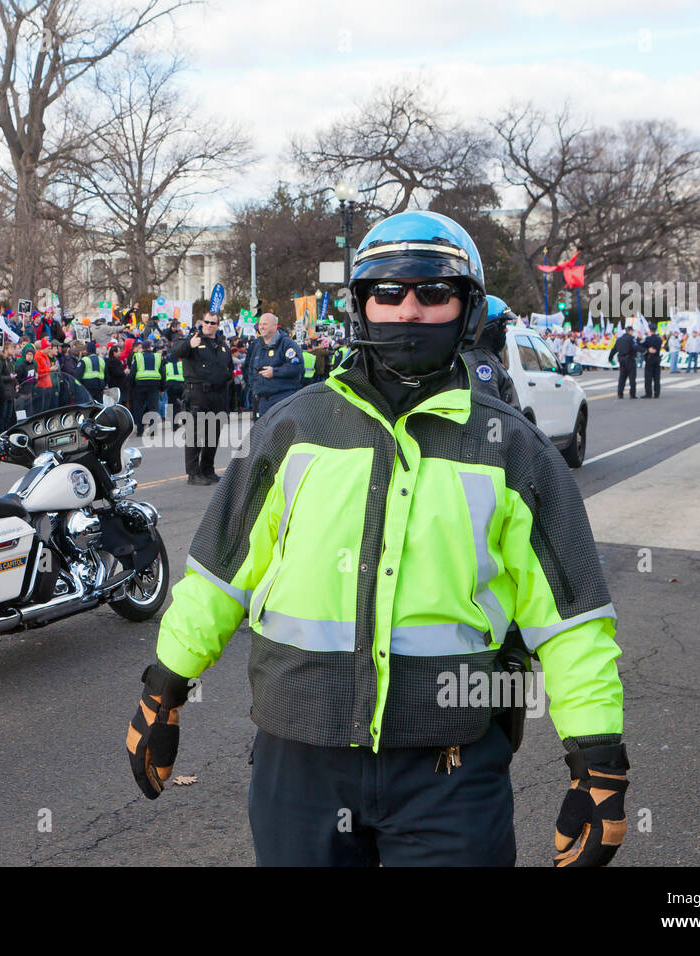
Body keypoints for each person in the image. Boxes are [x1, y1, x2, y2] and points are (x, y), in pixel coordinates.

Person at [125, 210, 627, 866]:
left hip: (451, 775)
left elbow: (571, 621)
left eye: (433, 293)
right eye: (388, 293)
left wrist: (598, 760)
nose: (410, 311)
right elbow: (220, 575)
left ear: (468, 309)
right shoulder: (293, 429)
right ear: (360, 305)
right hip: (299, 769)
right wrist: (165, 686)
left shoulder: (515, 451)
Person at [170, 312, 232, 485]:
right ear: (202, 323)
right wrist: (190, 344)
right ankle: (193, 473)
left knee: (213, 435)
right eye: (207, 322)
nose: (210, 325)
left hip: (218, 394)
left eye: (213, 323)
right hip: (197, 393)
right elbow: (175, 350)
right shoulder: (194, 339)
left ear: (218, 326)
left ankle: (207, 469)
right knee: (195, 435)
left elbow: (228, 370)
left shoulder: (222, 345)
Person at [244, 313, 304, 418]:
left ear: (274, 325)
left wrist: (275, 372)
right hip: (262, 401)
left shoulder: (287, 344)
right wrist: (255, 389)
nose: (261, 327)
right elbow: (250, 370)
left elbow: (297, 367)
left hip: (283, 398)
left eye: (265, 324)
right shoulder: (257, 346)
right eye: (260, 324)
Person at [129, 337, 163, 433]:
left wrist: (131, 385)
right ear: (150, 347)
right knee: (153, 407)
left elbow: (133, 372)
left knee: (139, 407)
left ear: (143, 348)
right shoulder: (157, 357)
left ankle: (140, 430)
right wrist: (162, 387)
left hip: (140, 384)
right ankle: (152, 430)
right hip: (154, 384)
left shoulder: (137, 356)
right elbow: (162, 372)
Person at [612, 326, 640, 399]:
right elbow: (636, 347)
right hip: (630, 359)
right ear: (630, 331)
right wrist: (644, 350)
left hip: (621, 359)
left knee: (622, 377)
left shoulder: (619, 339)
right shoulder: (631, 338)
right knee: (632, 377)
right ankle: (632, 394)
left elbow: (614, 349)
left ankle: (620, 394)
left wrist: (610, 357)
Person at [641, 325, 663, 398]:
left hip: (649, 358)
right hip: (657, 358)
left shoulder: (648, 339)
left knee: (648, 377)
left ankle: (648, 393)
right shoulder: (659, 339)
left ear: (650, 330)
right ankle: (657, 393)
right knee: (657, 377)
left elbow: (642, 346)